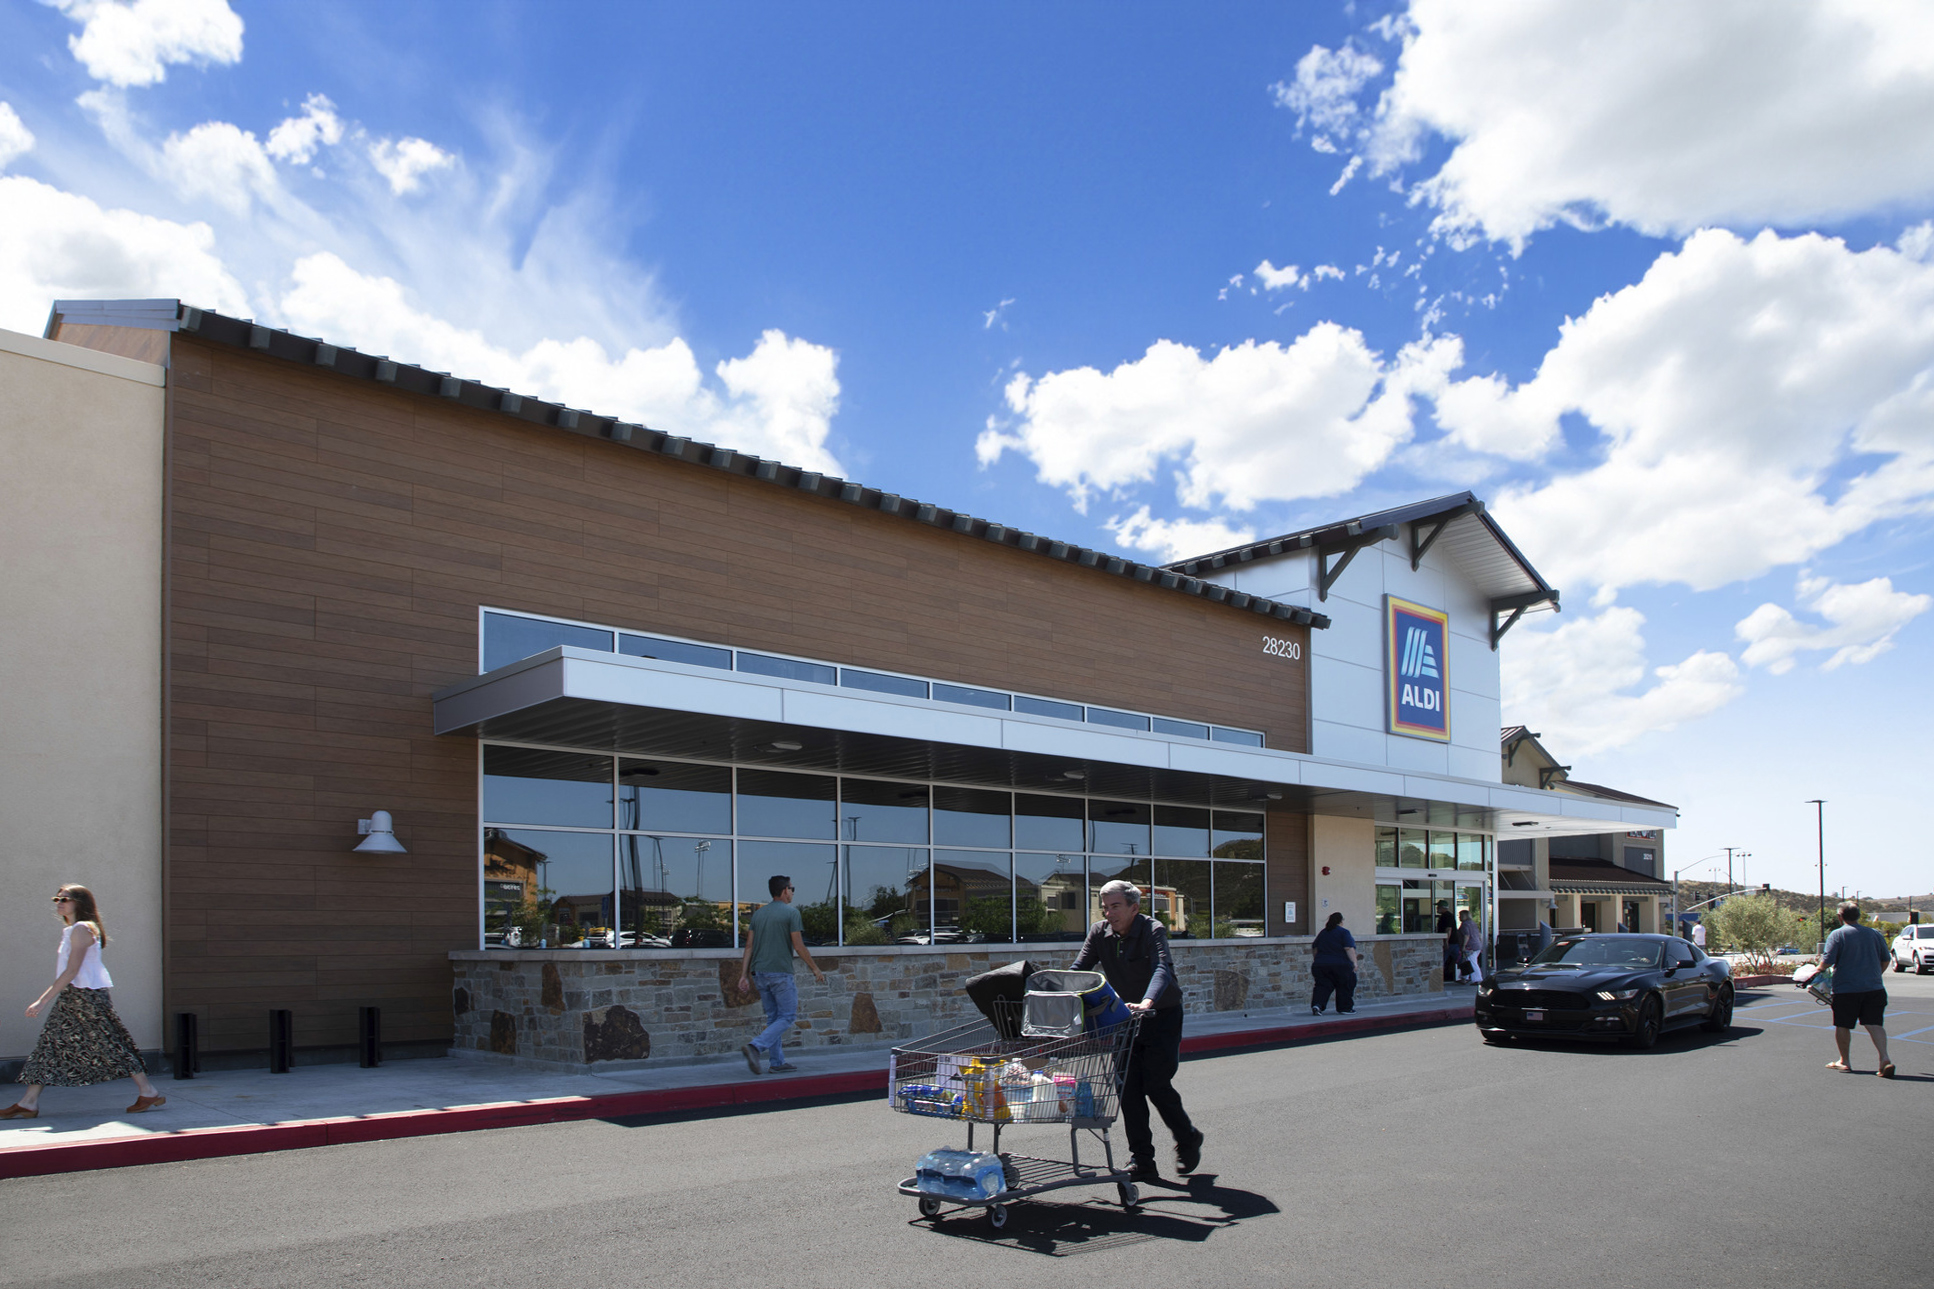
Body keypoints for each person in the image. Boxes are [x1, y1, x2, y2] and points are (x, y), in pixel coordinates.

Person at [1074, 880, 1202, 1183]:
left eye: (1115, 906)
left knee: (1156, 1084)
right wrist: (1054, 990)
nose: (1108, 913)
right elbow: (1080, 970)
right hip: (1126, 1019)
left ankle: (1188, 1138)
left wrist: (1147, 1001)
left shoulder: (1151, 928)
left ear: (1134, 907)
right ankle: (1142, 1160)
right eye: (1105, 907)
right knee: (1128, 1090)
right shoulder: (1098, 932)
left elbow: (1162, 969)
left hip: (1161, 1015)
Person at [4, 884, 165, 1119]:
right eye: (56, 899)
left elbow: (71, 971)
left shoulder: (81, 929)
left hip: (85, 997)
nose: (59, 903)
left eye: (64, 899)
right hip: (75, 996)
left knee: (111, 1044)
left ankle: (148, 1091)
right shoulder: (73, 930)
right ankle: (28, 1103)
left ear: (79, 903)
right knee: (50, 1045)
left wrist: (42, 1001)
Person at [734, 875, 826, 1076]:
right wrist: (815, 969)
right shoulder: (791, 913)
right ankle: (755, 1047)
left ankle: (776, 1062)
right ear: (785, 890)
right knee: (787, 1016)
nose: (793, 892)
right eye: (792, 889)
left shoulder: (758, 915)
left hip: (759, 973)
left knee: (774, 1017)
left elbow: (748, 946)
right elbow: (799, 946)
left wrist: (744, 975)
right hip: (779, 973)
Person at [1820, 901, 1893, 1078]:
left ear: (1840, 916)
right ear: (1858, 916)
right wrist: (1875, 975)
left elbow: (1828, 961)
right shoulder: (1874, 934)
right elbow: (1885, 959)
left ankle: (1844, 1061)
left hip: (1846, 990)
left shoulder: (1837, 935)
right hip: (1874, 988)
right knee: (1874, 1024)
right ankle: (1884, 1058)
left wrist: (1816, 970)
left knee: (1843, 1025)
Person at [1310, 911, 1359, 1015]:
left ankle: (1317, 1005)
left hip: (1320, 965)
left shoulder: (1323, 933)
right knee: (1345, 985)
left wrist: (1317, 959)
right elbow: (1348, 948)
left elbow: (1315, 948)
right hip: (1340, 965)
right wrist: (1354, 962)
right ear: (1341, 921)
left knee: (1322, 986)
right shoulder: (1344, 932)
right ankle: (1345, 1008)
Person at [1456, 908, 1485, 983]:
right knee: (1466, 961)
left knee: (1472, 962)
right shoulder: (1473, 923)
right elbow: (1479, 935)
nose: (1459, 917)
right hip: (1477, 945)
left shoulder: (1465, 924)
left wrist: (1463, 946)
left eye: (1460, 916)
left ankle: (1477, 979)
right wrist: (1481, 944)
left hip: (1470, 946)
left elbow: (1466, 936)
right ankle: (1464, 978)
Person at [1435, 901, 1458, 984]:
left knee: (1442, 960)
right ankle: (1467, 976)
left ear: (1442, 908)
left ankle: (1439, 978)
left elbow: (1448, 929)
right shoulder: (1446, 916)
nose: (1437, 909)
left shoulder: (1447, 916)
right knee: (1459, 960)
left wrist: (1446, 942)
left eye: (1438, 907)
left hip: (1450, 942)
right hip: (1452, 942)